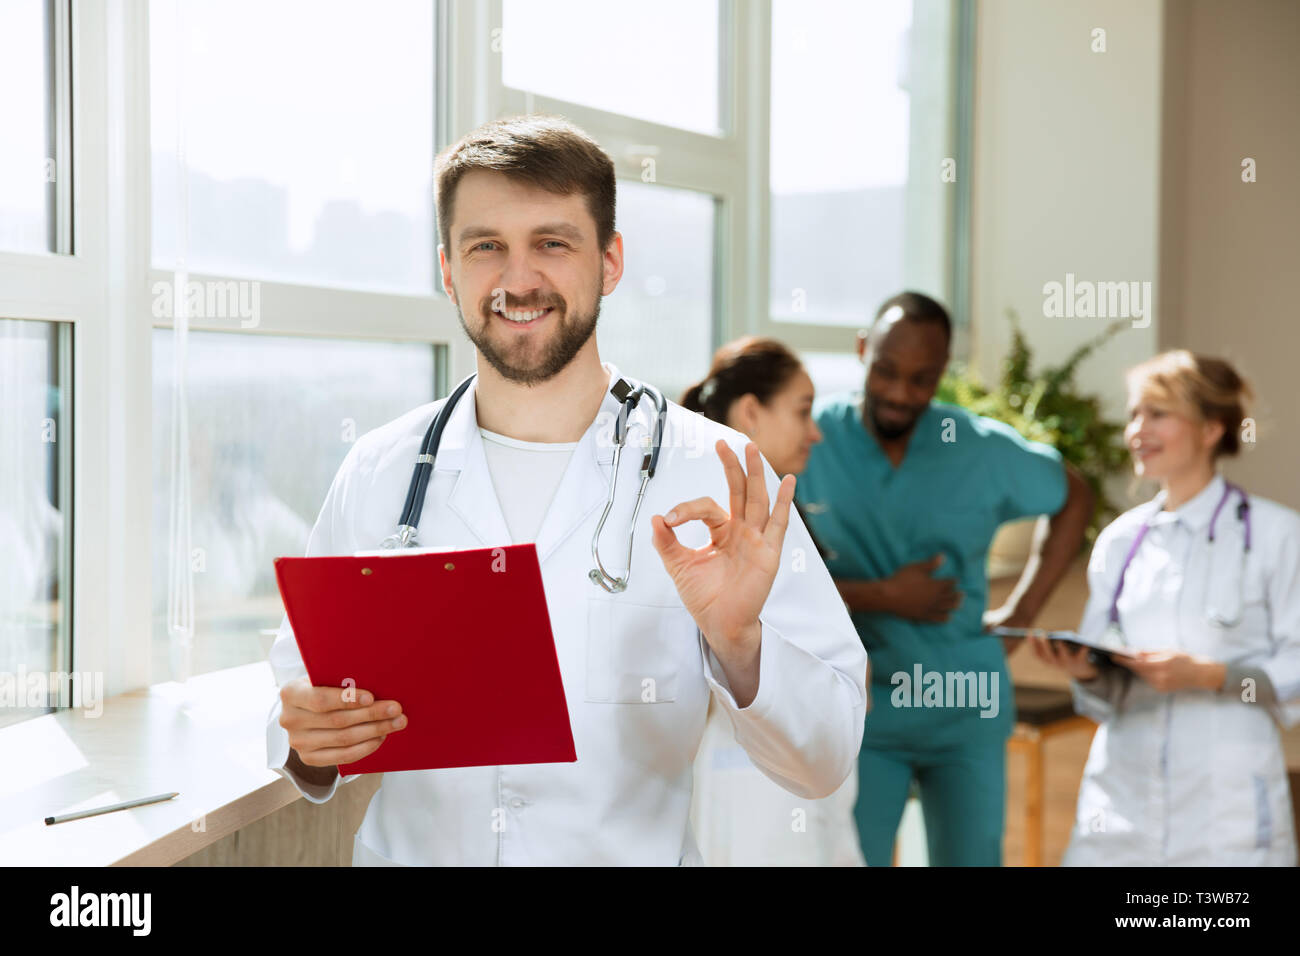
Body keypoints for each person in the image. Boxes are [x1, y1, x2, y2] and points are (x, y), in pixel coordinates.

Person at [263, 114, 868, 866]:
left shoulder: (716, 468)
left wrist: (740, 646)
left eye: (553, 242)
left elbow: (826, 757)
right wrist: (313, 744)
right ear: (449, 270)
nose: (519, 280)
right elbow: (303, 710)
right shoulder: (380, 472)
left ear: (610, 262)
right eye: (487, 246)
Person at [796, 291, 1094, 866]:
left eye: (922, 379)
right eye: (886, 371)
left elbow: (1074, 495)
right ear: (863, 350)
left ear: (943, 375)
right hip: (862, 711)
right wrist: (883, 596)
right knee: (850, 858)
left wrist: (1022, 614)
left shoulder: (976, 447)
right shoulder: (812, 441)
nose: (900, 393)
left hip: (966, 706)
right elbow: (777, 579)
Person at [1032, 350, 1299, 865]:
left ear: (1210, 429)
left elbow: (1295, 668)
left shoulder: (1275, 535)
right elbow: (1107, 676)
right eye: (1134, 414)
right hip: (1124, 794)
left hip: (1226, 806)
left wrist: (1209, 675)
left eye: (1158, 414)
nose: (1137, 430)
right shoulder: (1120, 541)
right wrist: (1086, 672)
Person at [682, 336, 865, 866]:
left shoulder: (782, 514)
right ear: (750, 413)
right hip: (747, 779)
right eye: (803, 411)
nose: (816, 432)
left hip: (794, 765)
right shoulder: (713, 519)